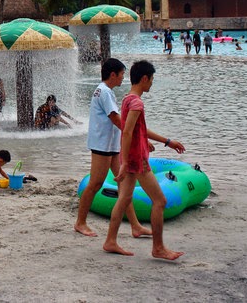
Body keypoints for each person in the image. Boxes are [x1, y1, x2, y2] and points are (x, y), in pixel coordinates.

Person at [103, 60, 186, 260]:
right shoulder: (137, 103)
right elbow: (127, 132)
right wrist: (125, 163)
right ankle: (158, 248)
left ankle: (110, 241)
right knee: (160, 201)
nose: (152, 83)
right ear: (144, 78)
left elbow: (137, 129)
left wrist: (167, 142)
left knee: (124, 199)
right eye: (152, 79)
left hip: (131, 157)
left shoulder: (127, 99)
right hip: (136, 160)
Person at [74, 58, 151, 238]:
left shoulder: (106, 91)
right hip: (102, 145)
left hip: (111, 145)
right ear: (113, 74)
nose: (123, 77)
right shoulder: (104, 92)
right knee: (95, 184)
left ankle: (135, 226)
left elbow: (118, 120)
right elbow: (116, 119)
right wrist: (139, 137)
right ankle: (80, 222)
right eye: (122, 74)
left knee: (124, 186)